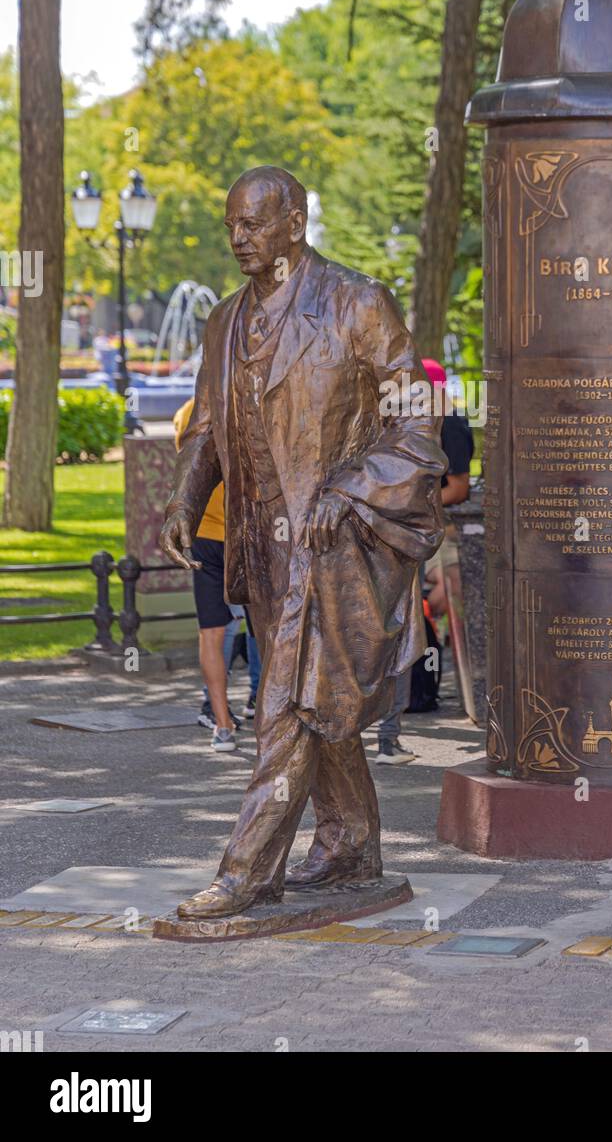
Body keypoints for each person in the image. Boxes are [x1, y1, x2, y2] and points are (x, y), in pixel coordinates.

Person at [160, 166, 446, 918]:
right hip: (260, 547)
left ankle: (246, 871)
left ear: (295, 221)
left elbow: (417, 421)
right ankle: (350, 844)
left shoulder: (356, 303)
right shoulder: (223, 322)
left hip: (332, 547)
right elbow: (212, 433)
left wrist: (352, 485)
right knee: (318, 700)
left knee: (281, 705)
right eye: (230, 226)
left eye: (251, 224)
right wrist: (186, 500)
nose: (237, 239)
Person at [375, 356, 472, 764]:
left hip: (391, 538)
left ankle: (386, 735)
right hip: (401, 541)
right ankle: (387, 737)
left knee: (393, 633)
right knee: (399, 633)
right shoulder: (417, 429)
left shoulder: (402, 428)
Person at [172, 398, 260, 751]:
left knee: (211, 634)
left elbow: (186, 470)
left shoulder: (186, 412)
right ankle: (268, 716)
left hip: (206, 536)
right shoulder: (248, 406)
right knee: (265, 630)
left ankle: (222, 724)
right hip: (248, 535)